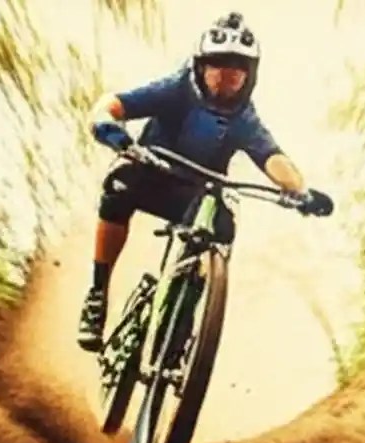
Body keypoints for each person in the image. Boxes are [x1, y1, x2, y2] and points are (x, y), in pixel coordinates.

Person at [78, 11, 334, 352]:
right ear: (200, 66)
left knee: (223, 228)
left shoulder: (244, 117)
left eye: (238, 69)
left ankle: (183, 320)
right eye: (218, 66)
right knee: (119, 183)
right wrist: (105, 123)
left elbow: (272, 157)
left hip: (196, 196)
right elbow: (115, 104)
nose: (227, 77)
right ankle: (98, 293)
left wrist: (300, 191)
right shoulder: (176, 88)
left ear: (250, 76)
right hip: (151, 173)